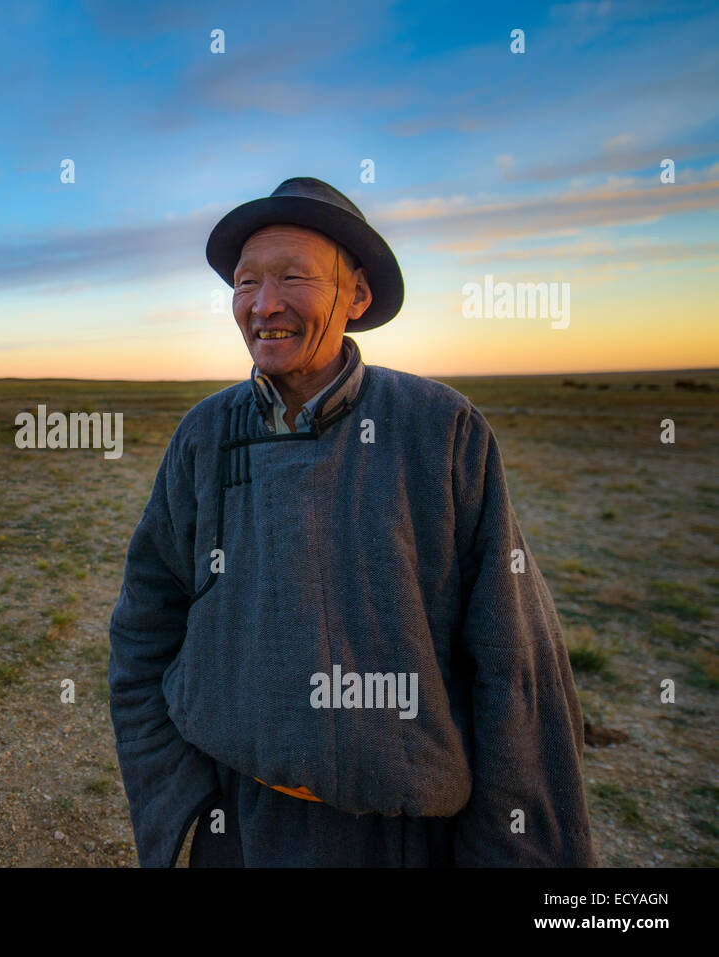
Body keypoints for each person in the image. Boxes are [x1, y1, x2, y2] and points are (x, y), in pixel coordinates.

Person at [107, 176, 596, 867]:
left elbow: (514, 665)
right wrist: (180, 811)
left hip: (398, 837)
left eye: (293, 277)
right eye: (246, 283)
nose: (263, 304)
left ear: (356, 296)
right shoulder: (204, 436)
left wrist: (510, 850)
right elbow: (143, 628)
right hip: (235, 824)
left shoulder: (441, 431)